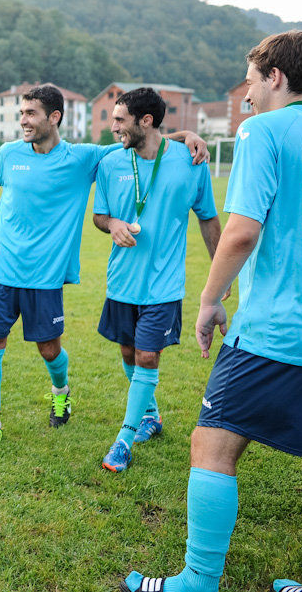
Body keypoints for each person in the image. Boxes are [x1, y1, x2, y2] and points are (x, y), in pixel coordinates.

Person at [121, 31, 302, 592]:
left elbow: (241, 232)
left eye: (251, 80)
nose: (247, 94)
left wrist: (208, 300)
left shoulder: (261, 131)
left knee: (213, 440)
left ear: (275, 77)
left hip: (274, 330)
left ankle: (198, 580)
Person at [0, 84, 209, 452]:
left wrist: (185, 135)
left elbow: (138, 139)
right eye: (21, 113)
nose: (23, 121)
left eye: (30, 113)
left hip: (45, 275)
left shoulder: (83, 158)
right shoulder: (7, 153)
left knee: (49, 350)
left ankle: (61, 392)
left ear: (54, 117)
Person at [92, 87, 223, 473]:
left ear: (145, 121)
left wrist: (221, 270)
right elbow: (100, 216)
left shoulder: (191, 161)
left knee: (148, 355)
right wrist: (113, 223)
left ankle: (123, 439)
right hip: (121, 282)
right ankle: (151, 416)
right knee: (129, 353)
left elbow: (209, 218)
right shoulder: (111, 161)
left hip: (163, 286)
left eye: (120, 120)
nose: (113, 127)